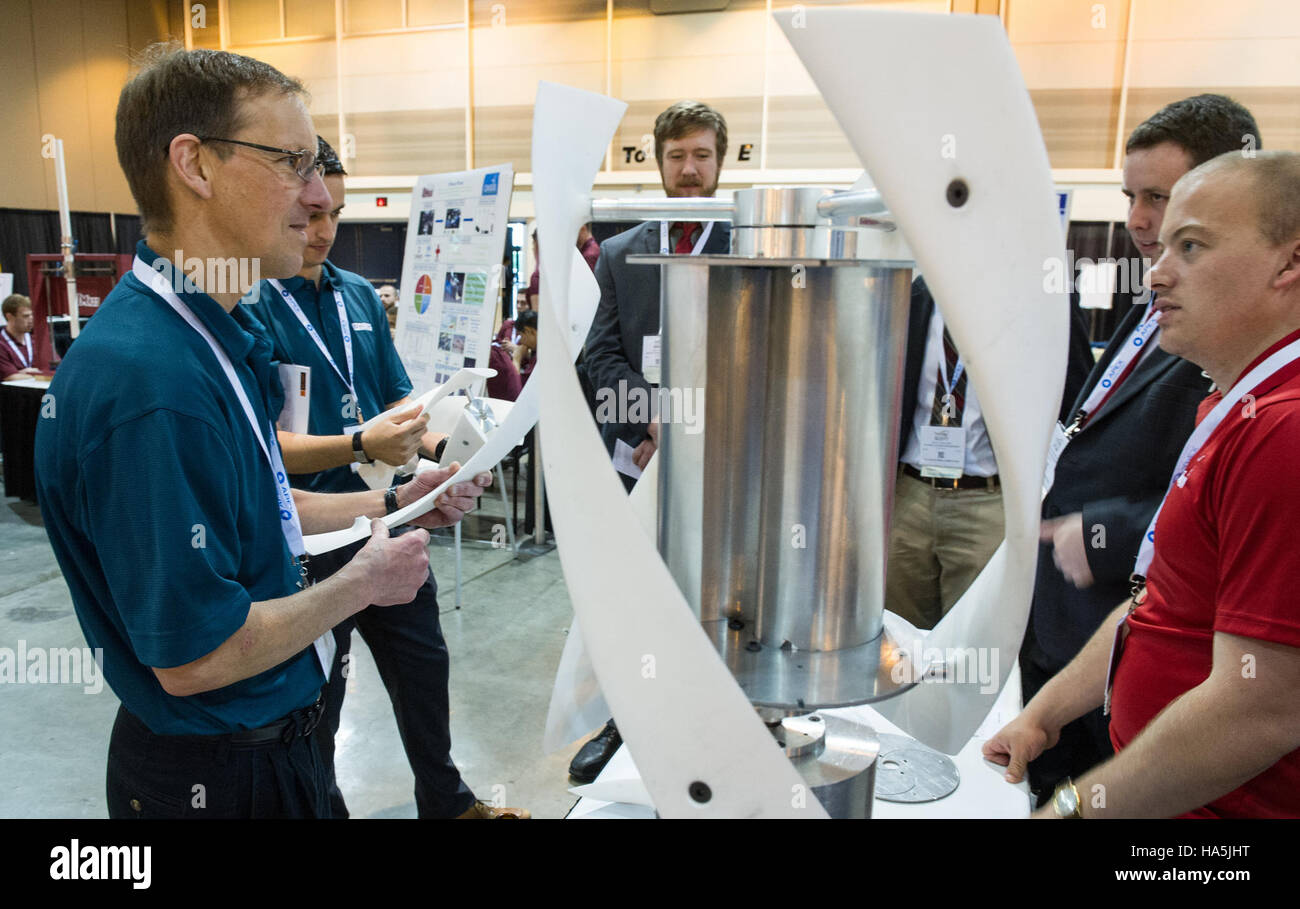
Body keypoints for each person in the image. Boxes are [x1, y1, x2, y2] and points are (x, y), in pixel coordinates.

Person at [34, 45, 490, 819]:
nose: (317, 196)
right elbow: (194, 655)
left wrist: (398, 503)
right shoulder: (153, 383)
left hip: (272, 747)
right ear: (196, 165)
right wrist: (362, 584)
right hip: (216, 775)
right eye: (292, 162)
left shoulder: (214, 331)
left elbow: (259, 512)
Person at [985, 150, 1300, 818]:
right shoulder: (1236, 403)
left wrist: (1071, 809)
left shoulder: (1284, 432)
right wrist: (1045, 713)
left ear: (1290, 263)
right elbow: (1160, 597)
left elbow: (1262, 709)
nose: (1156, 271)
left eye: (1191, 246)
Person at [245, 137, 526, 819]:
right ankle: (325, 808)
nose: (322, 232)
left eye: (336, 214)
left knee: (423, 668)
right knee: (321, 694)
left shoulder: (359, 301)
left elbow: (398, 399)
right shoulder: (251, 306)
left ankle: (446, 800)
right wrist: (355, 441)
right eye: (310, 216)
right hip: (310, 538)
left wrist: (436, 445)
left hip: (391, 523)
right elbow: (258, 449)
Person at [1023, 94, 1262, 805]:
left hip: (1138, 638)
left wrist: (1099, 531)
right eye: (1132, 196)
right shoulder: (1151, 297)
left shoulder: (1233, 336)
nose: (1136, 221)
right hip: (1067, 630)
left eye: (1158, 197)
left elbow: (1210, 494)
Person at [572, 100, 731, 785]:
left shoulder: (753, 241)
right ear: (657, 162)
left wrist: (696, 428)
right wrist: (650, 421)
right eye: (676, 156)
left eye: (701, 155)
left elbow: (769, 362)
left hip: (729, 464)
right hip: (640, 459)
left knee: (719, 597)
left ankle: (720, 723)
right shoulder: (618, 252)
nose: (688, 169)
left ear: (722, 160)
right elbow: (598, 358)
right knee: (634, 599)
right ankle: (624, 721)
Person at [886, 277, 1093, 629]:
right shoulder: (919, 292)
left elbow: (1079, 400)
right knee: (900, 634)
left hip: (988, 503)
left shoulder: (1043, 295)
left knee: (976, 637)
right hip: (909, 497)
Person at [1, 294, 40, 380]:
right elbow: (11, 377)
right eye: (25, 316)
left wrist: (23, 373)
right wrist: (38, 374)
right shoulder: (2, 344)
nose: (31, 319)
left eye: (32, 315)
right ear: (9, 317)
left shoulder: (36, 341)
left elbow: (54, 368)